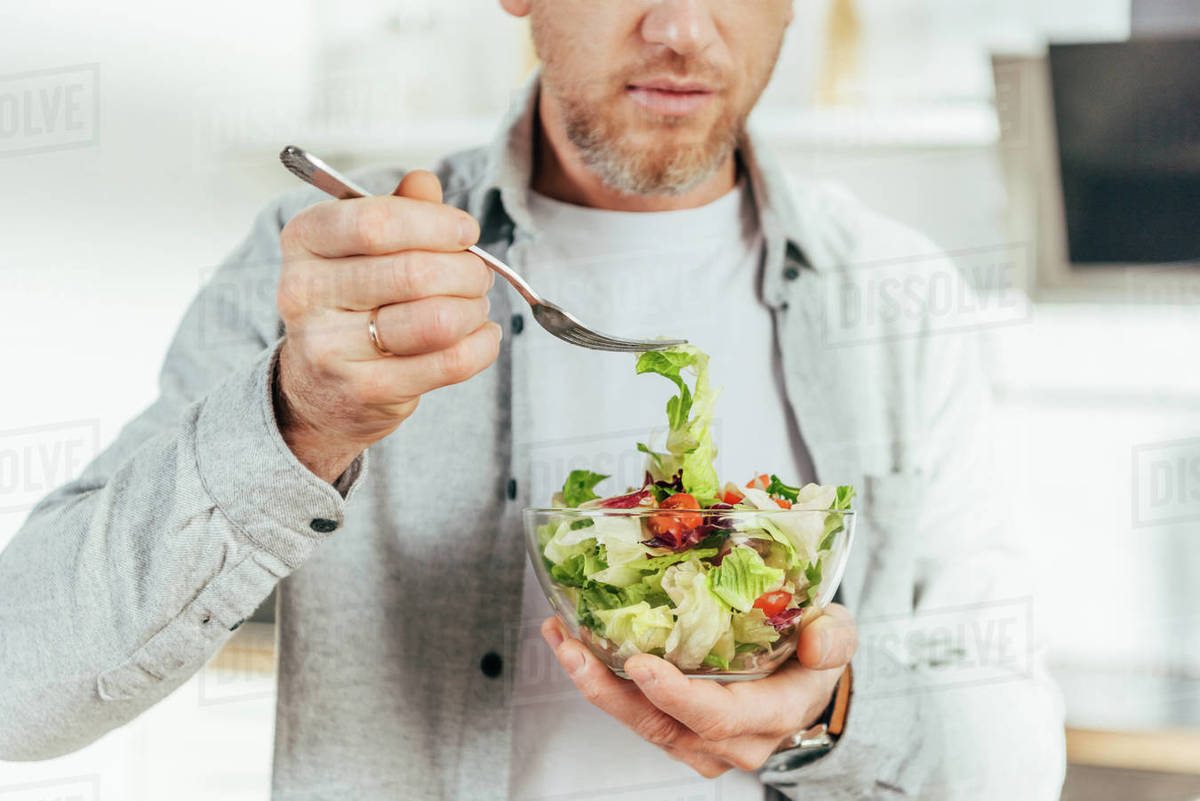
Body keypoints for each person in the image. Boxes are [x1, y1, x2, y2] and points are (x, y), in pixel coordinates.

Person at [0, 1, 1066, 798]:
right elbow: (22, 687)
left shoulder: (899, 300)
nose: (683, 27)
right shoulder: (335, 273)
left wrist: (831, 712)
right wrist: (300, 421)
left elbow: (1015, 754)